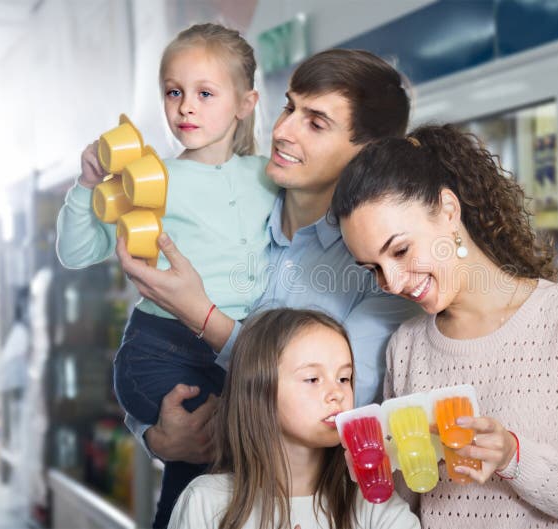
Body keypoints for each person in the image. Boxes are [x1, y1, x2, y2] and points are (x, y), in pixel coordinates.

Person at [115, 48, 419, 526]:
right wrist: (154, 433)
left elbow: (346, 404)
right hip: (200, 487)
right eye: (289, 107)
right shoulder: (233, 204)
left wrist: (204, 316)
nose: (282, 131)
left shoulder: (378, 270)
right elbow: (153, 342)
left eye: (315, 123)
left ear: (367, 152)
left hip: (314, 505)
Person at [331, 124, 558, 528]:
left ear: (448, 210)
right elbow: (406, 507)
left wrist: (512, 456)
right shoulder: (405, 347)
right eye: (374, 268)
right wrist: (371, 472)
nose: (392, 282)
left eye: (401, 250)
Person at [55, 23, 276, 528]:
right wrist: (88, 185)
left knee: (221, 475)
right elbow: (77, 250)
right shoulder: (151, 175)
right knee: (208, 456)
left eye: (204, 93)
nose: (185, 107)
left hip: (235, 350)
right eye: (173, 92)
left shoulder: (267, 176)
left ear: (245, 102)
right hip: (162, 349)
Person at [168, 308, 420, 529]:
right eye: (312, 379)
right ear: (259, 391)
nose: (337, 394)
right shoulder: (205, 500)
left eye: (344, 378)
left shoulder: (373, 500)